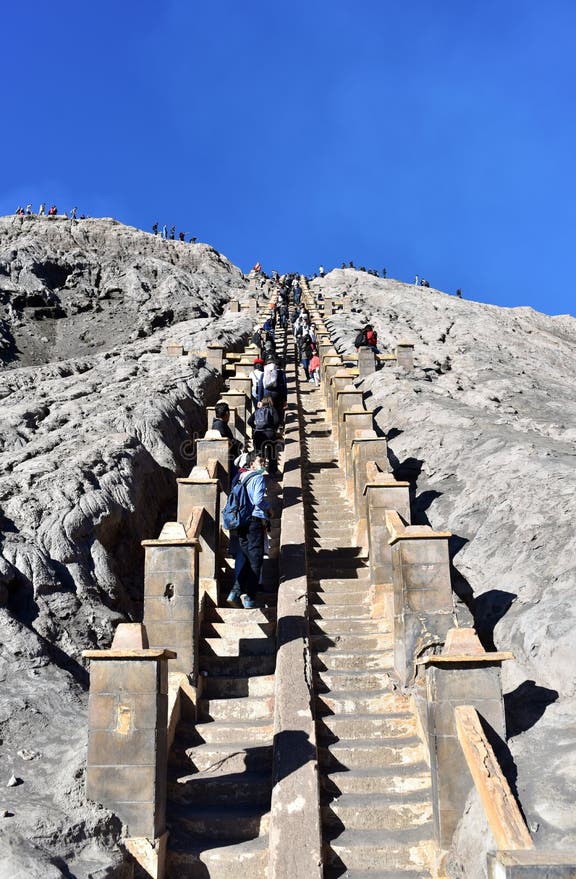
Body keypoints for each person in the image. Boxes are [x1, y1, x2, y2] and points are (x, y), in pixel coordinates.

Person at [227, 451, 271, 608]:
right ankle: (250, 598)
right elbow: (258, 500)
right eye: (260, 461)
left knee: (246, 558)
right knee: (256, 559)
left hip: (241, 522)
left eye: (264, 461)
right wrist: (269, 508)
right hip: (254, 522)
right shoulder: (258, 477)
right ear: (252, 463)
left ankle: (235, 592)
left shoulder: (241, 476)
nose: (263, 464)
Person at [249, 395, 280, 474]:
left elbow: (249, 421)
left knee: (259, 453)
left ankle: (259, 471)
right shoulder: (272, 410)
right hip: (270, 433)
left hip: (258, 434)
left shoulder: (257, 411)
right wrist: (274, 429)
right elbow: (277, 421)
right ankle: (272, 471)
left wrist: (255, 427)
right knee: (272, 452)